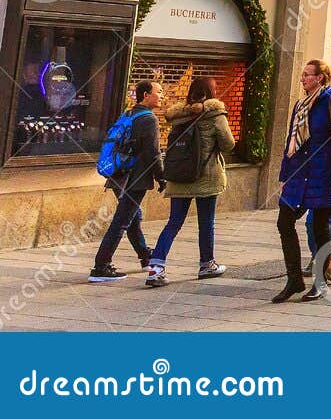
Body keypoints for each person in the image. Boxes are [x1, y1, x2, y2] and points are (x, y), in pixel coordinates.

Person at [272, 60, 331, 303]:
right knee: (284, 222)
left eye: (307, 75)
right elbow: (291, 141)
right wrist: (285, 175)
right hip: (299, 174)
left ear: (320, 77)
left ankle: (320, 282)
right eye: (302, 74)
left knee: (320, 227)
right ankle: (294, 280)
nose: (302, 79)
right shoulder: (300, 105)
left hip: (324, 174)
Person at [146, 77, 234, 287]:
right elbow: (228, 144)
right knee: (206, 222)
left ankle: (156, 268)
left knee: (174, 222)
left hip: (180, 175)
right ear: (211, 92)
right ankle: (206, 264)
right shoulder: (215, 115)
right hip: (206, 177)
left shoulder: (179, 116)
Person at [89, 80, 163, 282]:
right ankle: (101, 267)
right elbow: (153, 153)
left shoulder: (129, 114)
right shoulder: (149, 119)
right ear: (146, 95)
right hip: (134, 178)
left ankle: (145, 256)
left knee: (132, 218)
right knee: (121, 221)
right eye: (158, 91)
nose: (162, 95)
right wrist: (161, 177)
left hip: (118, 175)